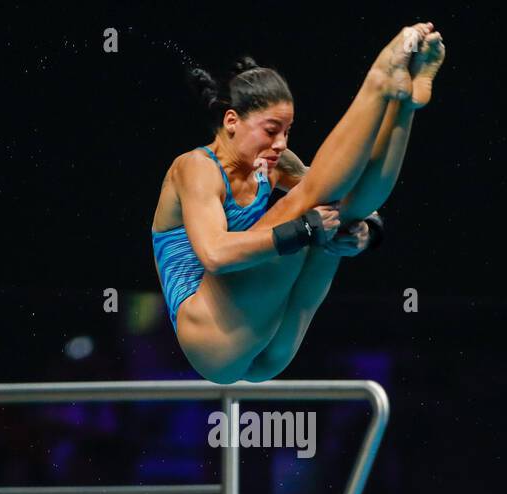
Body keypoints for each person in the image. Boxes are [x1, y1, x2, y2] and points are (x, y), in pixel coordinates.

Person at [151, 22, 445, 383]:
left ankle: (404, 102)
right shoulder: (195, 167)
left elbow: (342, 185)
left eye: (287, 131)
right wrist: (302, 229)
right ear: (231, 121)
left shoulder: (274, 164)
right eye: (271, 130)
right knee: (307, 206)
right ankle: (379, 83)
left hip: (273, 343)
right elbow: (214, 253)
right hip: (211, 337)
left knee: (336, 211)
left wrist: (367, 231)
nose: (280, 143)